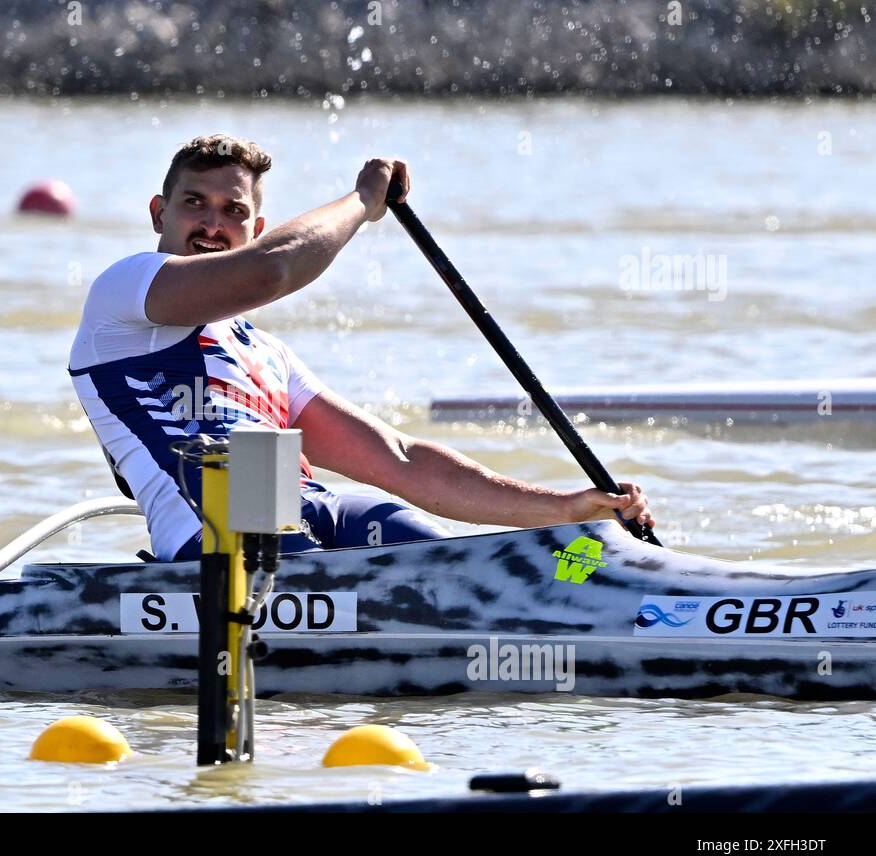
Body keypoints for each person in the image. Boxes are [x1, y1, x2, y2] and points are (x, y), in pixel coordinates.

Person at [68, 134, 655, 561]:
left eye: (233, 211)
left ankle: (587, 582)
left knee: (409, 527)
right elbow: (271, 272)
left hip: (304, 509)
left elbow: (401, 461)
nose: (212, 225)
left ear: (255, 226)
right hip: (218, 535)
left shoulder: (265, 353)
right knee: (255, 467)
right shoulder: (126, 293)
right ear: (157, 213)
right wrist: (363, 201)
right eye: (194, 203)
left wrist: (569, 508)